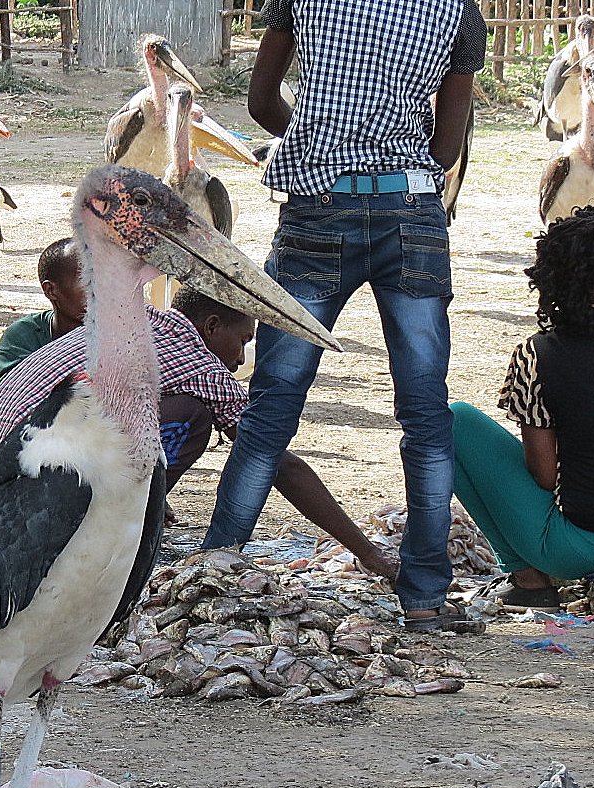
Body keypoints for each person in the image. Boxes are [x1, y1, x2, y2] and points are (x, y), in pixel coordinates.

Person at [200, 0, 488, 632]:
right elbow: (445, 143)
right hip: (409, 212)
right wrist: (392, 157)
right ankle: (425, 597)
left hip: (315, 213)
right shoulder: (456, 12)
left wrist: (317, 142)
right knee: (424, 412)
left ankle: (213, 572)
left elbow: (260, 103)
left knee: (273, 401)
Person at [0, 288, 398, 579]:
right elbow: (278, 464)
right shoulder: (199, 365)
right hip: (14, 484)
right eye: (242, 340)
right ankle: (93, 536)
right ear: (209, 328)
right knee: (195, 415)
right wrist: (367, 552)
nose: (241, 356)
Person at [453, 199, 594, 609]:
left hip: (586, 548)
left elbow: (542, 475)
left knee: (451, 423)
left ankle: (529, 581)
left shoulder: (535, 355)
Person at [0, 237, 85, 399]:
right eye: (87, 281)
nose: (100, 289)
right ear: (51, 290)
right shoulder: (23, 338)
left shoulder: (123, 334)